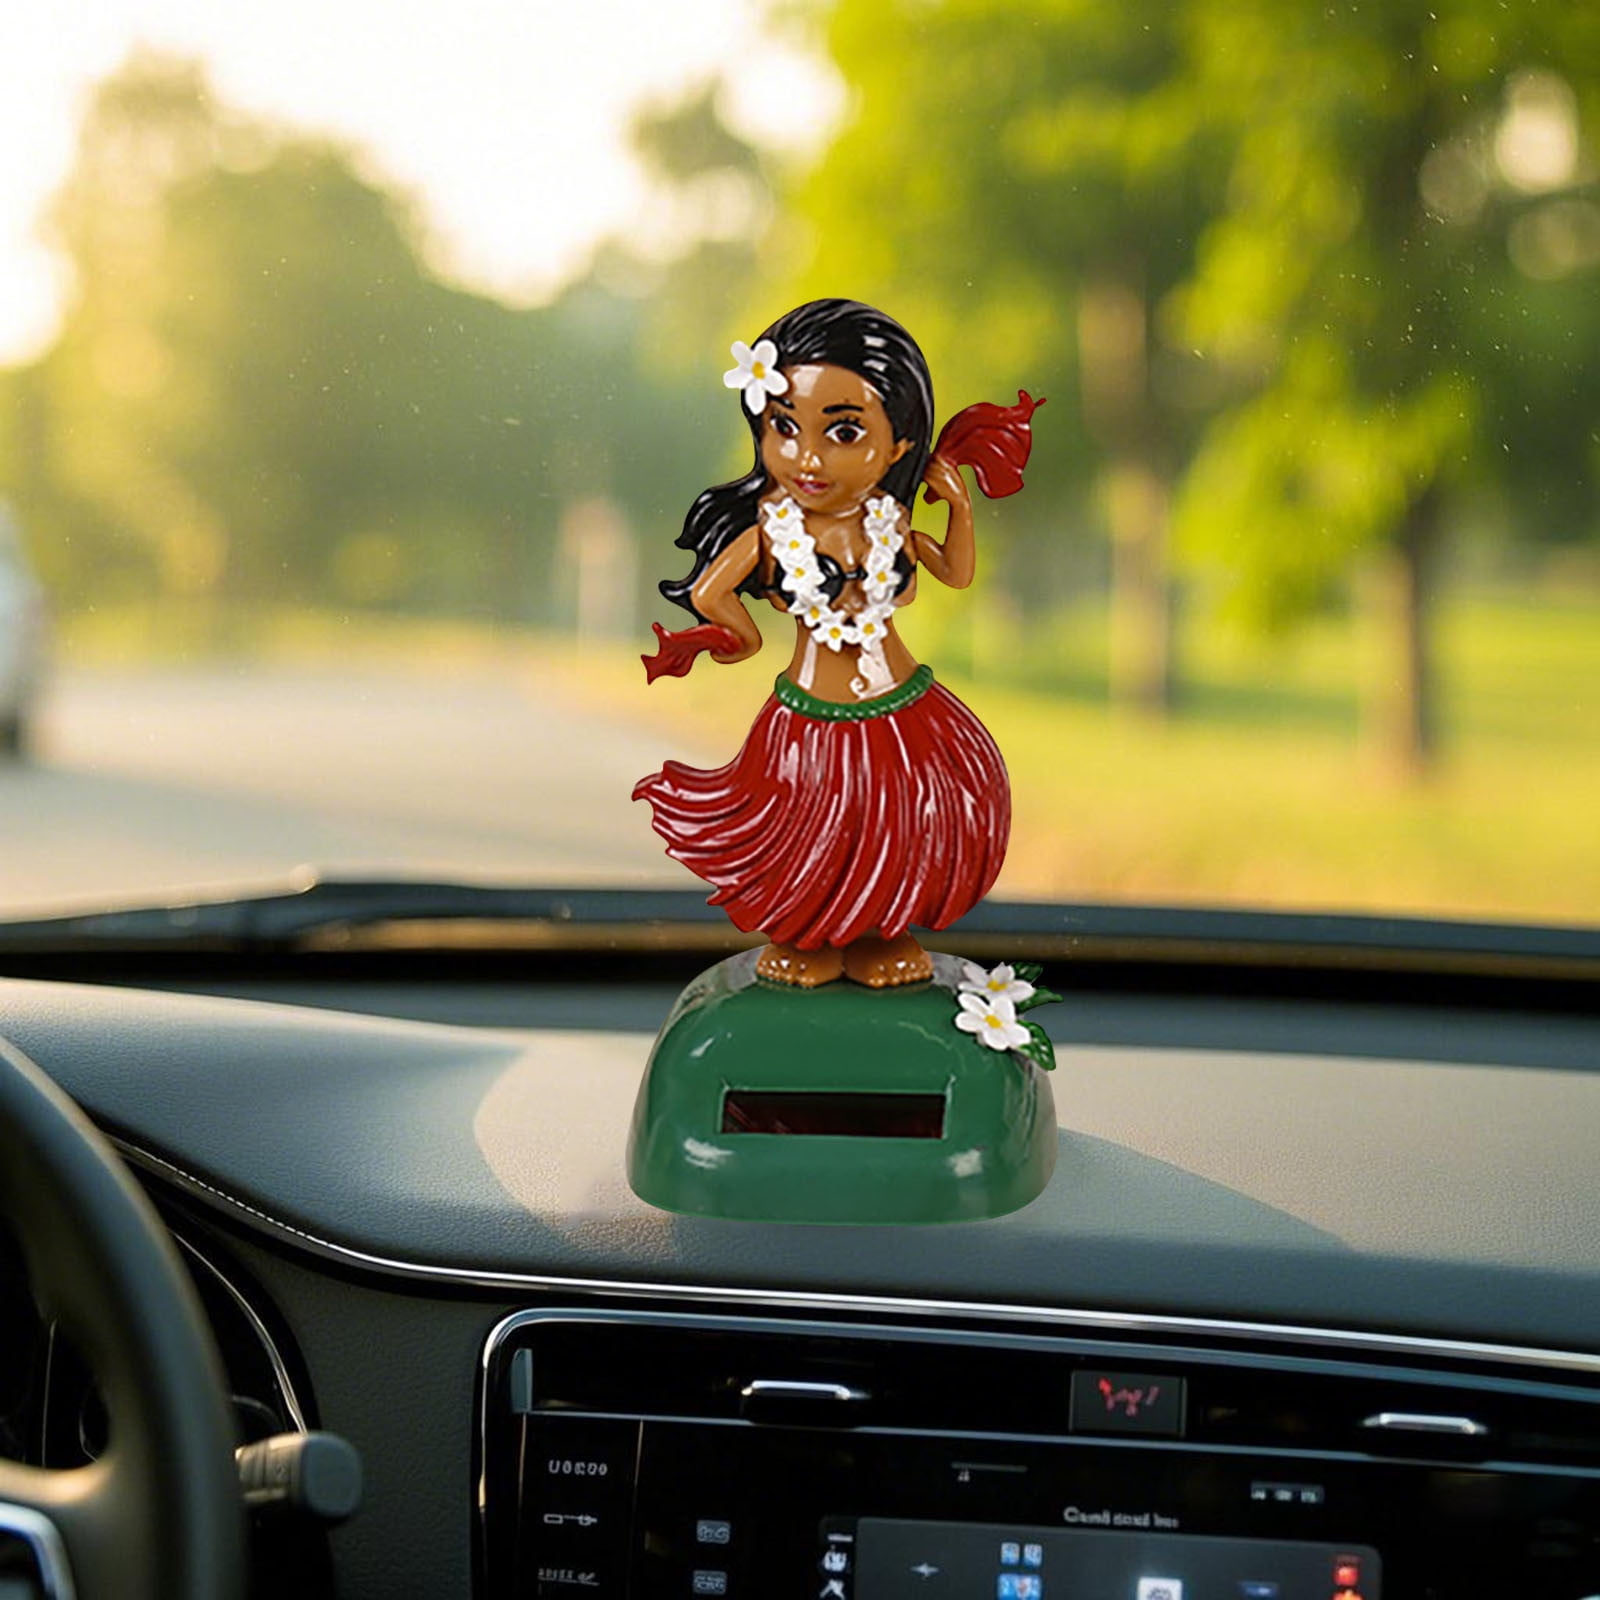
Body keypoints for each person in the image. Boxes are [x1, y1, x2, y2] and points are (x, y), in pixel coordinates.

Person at [634, 299, 1039, 988]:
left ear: (899, 445)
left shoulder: (889, 523)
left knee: (901, 826)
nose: (807, 457)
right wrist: (736, 638)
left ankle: (881, 932)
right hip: (810, 715)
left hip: (903, 702)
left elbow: (956, 571)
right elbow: (709, 592)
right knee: (809, 827)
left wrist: (961, 506)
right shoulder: (772, 534)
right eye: (784, 428)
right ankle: (810, 934)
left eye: (843, 432)